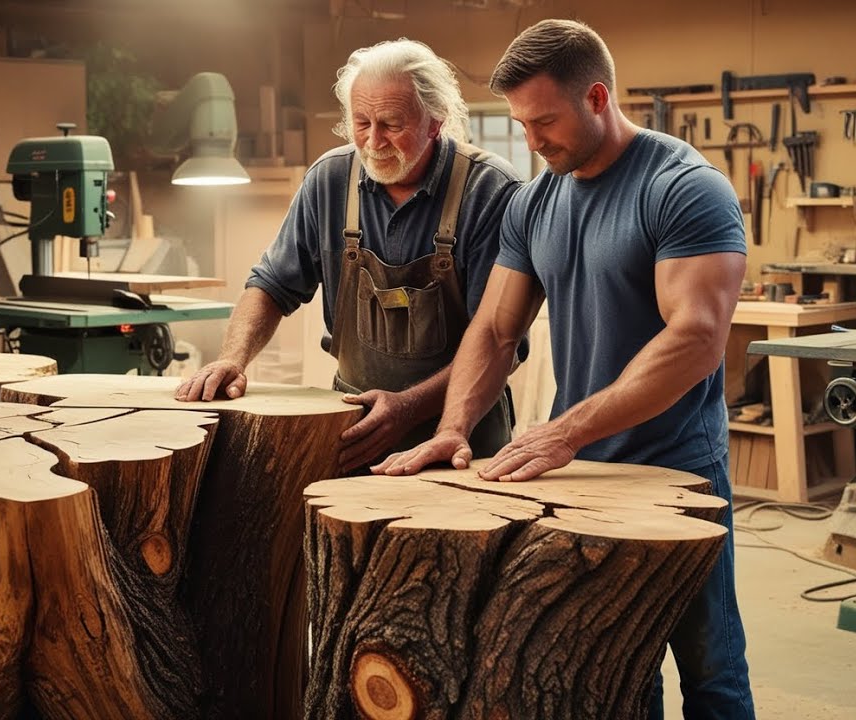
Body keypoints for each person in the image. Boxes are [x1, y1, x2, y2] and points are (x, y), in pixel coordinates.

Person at [372, 19, 755, 719]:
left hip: (678, 475)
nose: (532, 141)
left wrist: (565, 430)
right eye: (521, 124)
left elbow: (697, 338)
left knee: (710, 667)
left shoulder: (684, 188)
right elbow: (493, 328)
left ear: (599, 98)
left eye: (544, 121)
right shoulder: (537, 199)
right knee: (613, 667)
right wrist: (454, 426)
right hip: (583, 476)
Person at [174, 38, 523, 473]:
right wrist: (233, 357)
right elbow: (271, 285)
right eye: (361, 122)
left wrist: (408, 407)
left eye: (391, 124)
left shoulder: (490, 190)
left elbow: (499, 342)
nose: (373, 141)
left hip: (461, 441)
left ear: (435, 122)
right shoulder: (330, 180)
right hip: (355, 427)